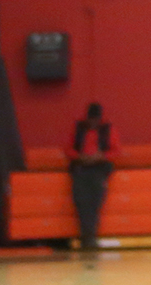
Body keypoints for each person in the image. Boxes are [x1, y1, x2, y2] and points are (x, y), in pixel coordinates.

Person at [68, 104, 114, 251]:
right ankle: (86, 238)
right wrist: (79, 157)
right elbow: (68, 149)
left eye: (96, 120)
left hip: (99, 171)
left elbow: (116, 150)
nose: (94, 122)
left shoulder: (108, 129)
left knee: (94, 205)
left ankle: (90, 238)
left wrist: (102, 156)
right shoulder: (78, 129)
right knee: (82, 204)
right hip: (81, 169)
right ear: (87, 118)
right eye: (91, 119)